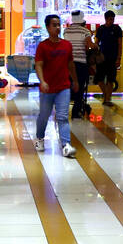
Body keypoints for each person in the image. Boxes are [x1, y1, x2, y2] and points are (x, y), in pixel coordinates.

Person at [33, 13, 76, 157]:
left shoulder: (67, 45)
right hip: (47, 89)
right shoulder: (42, 46)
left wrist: (75, 80)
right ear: (47, 27)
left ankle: (66, 145)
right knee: (44, 116)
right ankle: (39, 138)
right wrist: (42, 81)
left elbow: (70, 65)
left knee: (62, 117)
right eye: (54, 25)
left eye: (59, 25)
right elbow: (38, 65)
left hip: (63, 87)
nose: (58, 27)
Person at [63, 10, 96, 119]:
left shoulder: (66, 31)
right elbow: (89, 45)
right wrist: (97, 46)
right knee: (80, 87)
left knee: (69, 86)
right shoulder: (85, 31)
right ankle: (76, 112)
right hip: (81, 63)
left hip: (68, 63)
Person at [94, 10, 123, 107]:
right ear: (105, 19)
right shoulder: (101, 29)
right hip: (101, 58)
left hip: (113, 58)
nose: (111, 21)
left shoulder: (117, 29)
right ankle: (106, 94)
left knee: (111, 79)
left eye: (113, 19)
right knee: (99, 79)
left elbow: (120, 44)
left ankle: (107, 99)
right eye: (110, 19)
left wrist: (119, 58)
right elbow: (96, 43)